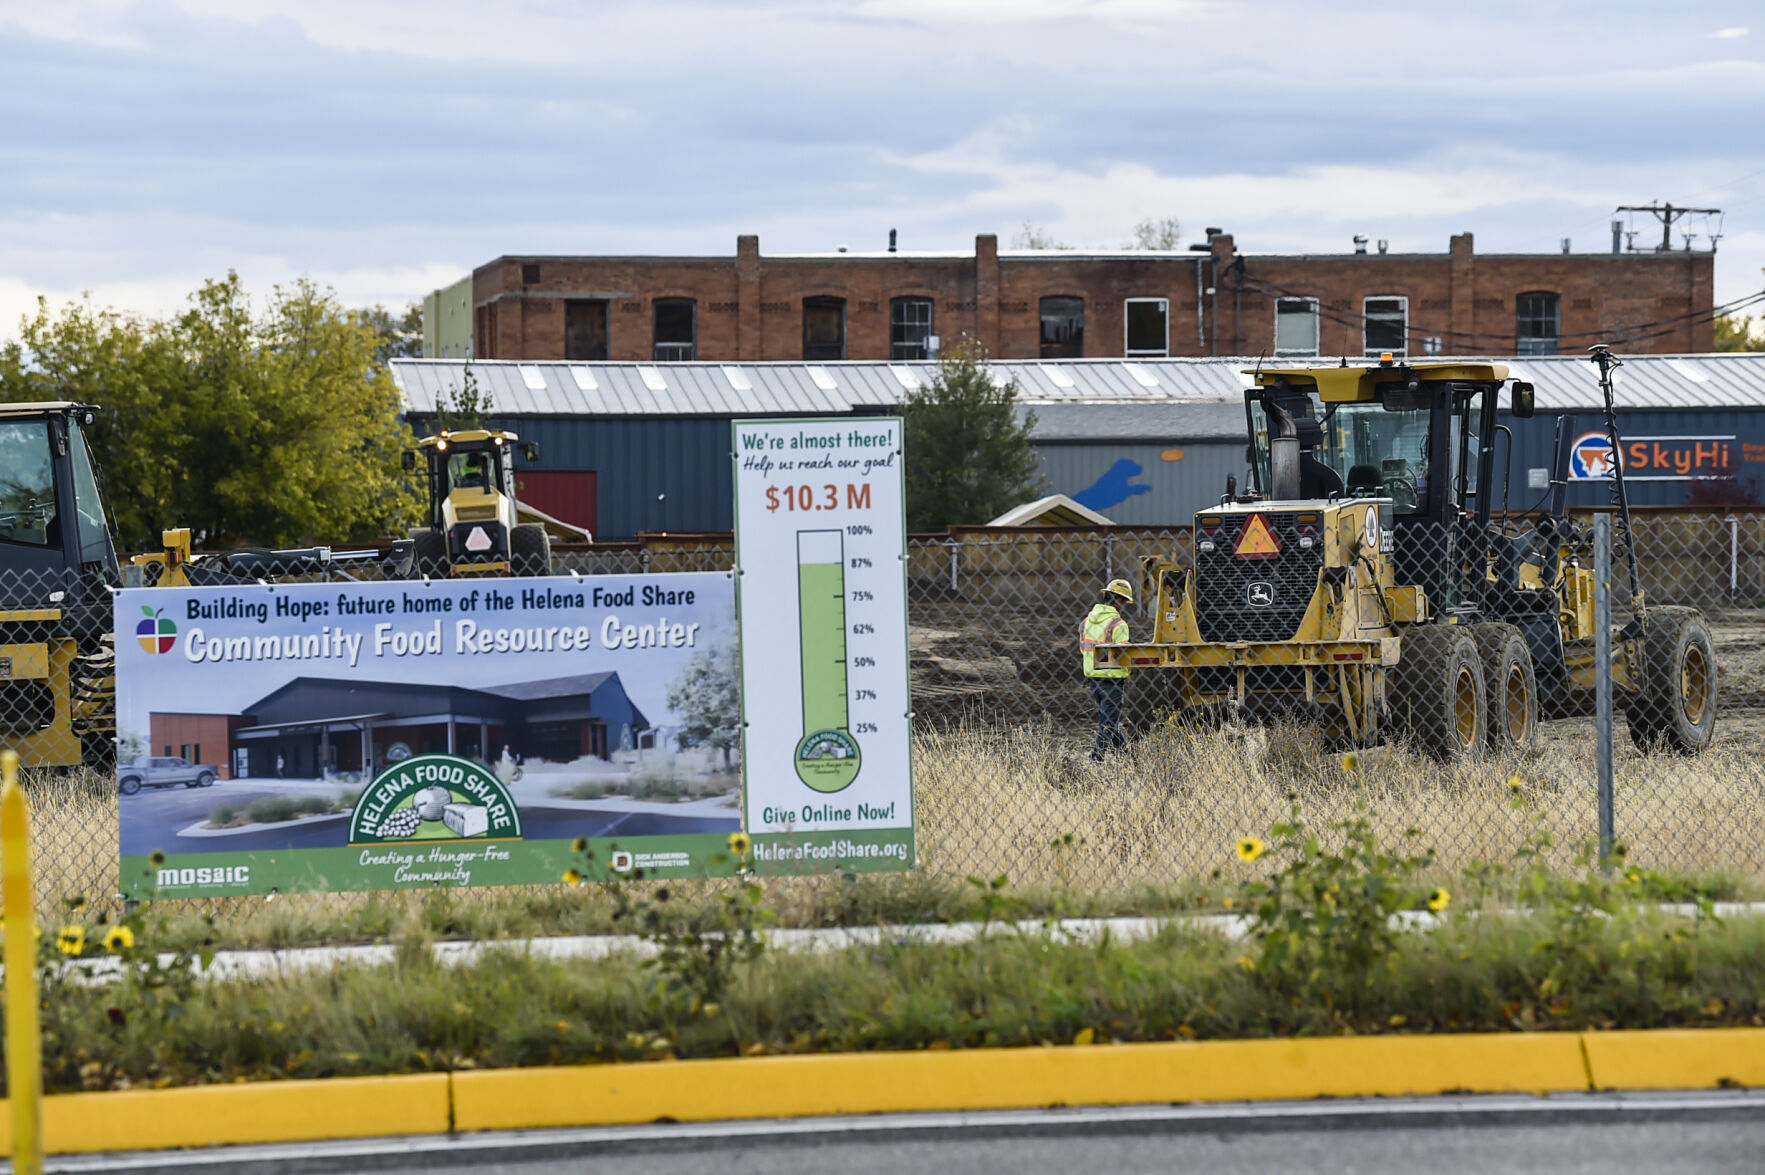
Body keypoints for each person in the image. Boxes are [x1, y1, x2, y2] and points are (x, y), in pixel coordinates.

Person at [1081, 578, 1134, 762]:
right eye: (1125, 601)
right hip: (1113, 679)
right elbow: (1122, 654)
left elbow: (1084, 649)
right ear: (1119, 600)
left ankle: (1128, 755)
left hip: (1093, 679)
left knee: (1110, 720)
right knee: (1108, 723)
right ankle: (1096, 758)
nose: (1124, 605)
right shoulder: (1118, 624)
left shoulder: (1087, 621)